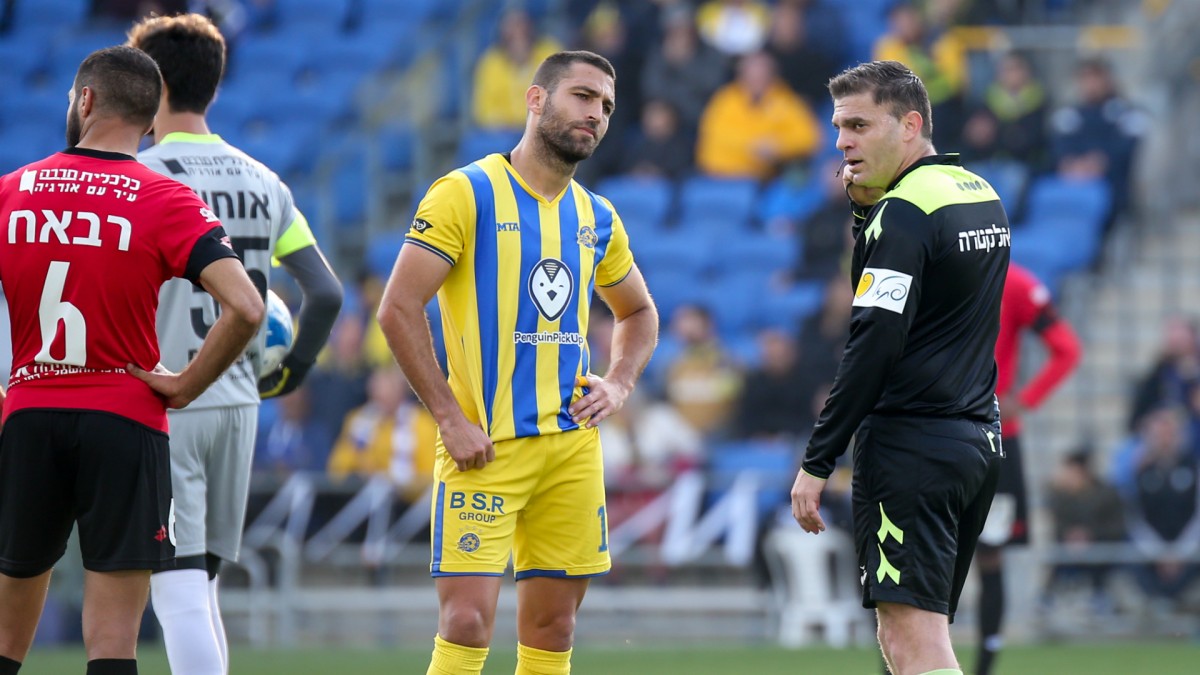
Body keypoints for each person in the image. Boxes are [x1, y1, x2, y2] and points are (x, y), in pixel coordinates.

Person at [376, 50, 658, 675]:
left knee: (554, 628)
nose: (596, 113)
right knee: (466, 623)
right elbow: (397, 308)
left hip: (570, 449)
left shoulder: (597, 216)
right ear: (535, 99)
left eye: (607, 106)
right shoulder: (465, 192)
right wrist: (449, 418)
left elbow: (639, 312)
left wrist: (619, 383)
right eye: (582, 96)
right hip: (483, 446)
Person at [0, 46, 263, 675]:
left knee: (5, 639)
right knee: (114, 643)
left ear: (86, 100)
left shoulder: (11, 190)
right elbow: (248, 307)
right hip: (126, 420)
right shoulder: (165, 198)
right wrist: (186, 385)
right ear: (149, 121)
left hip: (30, 415)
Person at [126, 13, 343, 675]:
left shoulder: (138, 176)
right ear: (213, 86)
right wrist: (291, 373)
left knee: (175, 587)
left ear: (154, 85)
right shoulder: (263, 179)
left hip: (169, 397)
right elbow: (324, 292)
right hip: (241, 398)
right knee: (203, 583)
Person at [790, 60, 1010, 675]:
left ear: (910, 125)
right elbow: (937, 309)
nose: (842, 143)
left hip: (912, 446)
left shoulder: (905, 212)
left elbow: (874, 343)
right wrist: (867, 216)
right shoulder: (979, 193)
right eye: (838, 128)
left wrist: (818, 459)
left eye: (859, 125)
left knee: (914, 644)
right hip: (976, 441)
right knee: (915, 635)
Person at [974, 261, 1080, 675]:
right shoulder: (932, 270)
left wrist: (1026, 399)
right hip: (980, 438)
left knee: (970, 555)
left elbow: (1066, 350)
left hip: (972, 438)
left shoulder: (1014, 284)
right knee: (969, 556)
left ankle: (975, 666)